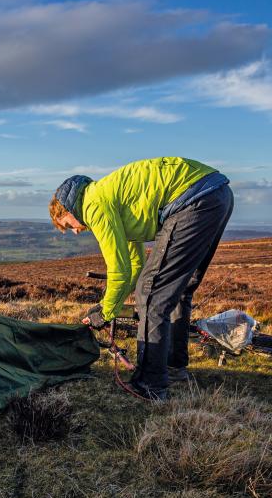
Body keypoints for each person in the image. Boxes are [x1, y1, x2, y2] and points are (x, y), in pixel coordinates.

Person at [49, 157, 234, 401]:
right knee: (177, 290)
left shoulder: (93, 204)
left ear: (68, 210)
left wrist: (104, 312)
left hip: (192, 201)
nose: (75, 230)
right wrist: (108, 307)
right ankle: (173, 366)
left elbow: (118, 270)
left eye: (67, 225)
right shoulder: (110, 196)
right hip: (218, 195)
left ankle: (150, 383)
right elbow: (134, 266)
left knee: (151, 295)